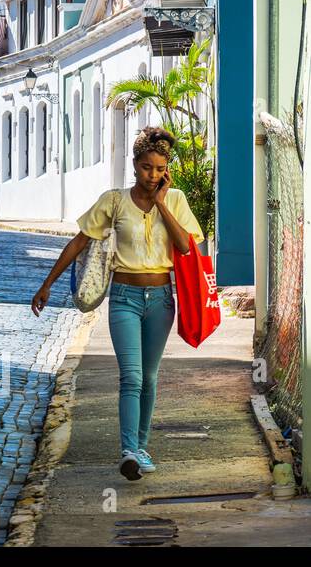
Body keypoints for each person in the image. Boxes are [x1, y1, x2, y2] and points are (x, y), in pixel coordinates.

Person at [31, 126, 204, 481]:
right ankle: (128, 451)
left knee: (150, 378)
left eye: (159, 168)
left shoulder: (176, 200)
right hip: (124, 297)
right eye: (145, 168)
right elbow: (79, 242)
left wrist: (160, 202)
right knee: (132, 376)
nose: (152, 175)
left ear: (167, 169)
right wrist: (47, 284)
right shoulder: (114, 201)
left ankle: (141, 446)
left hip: (160, 300)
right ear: (134, 164)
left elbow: (186, 247)